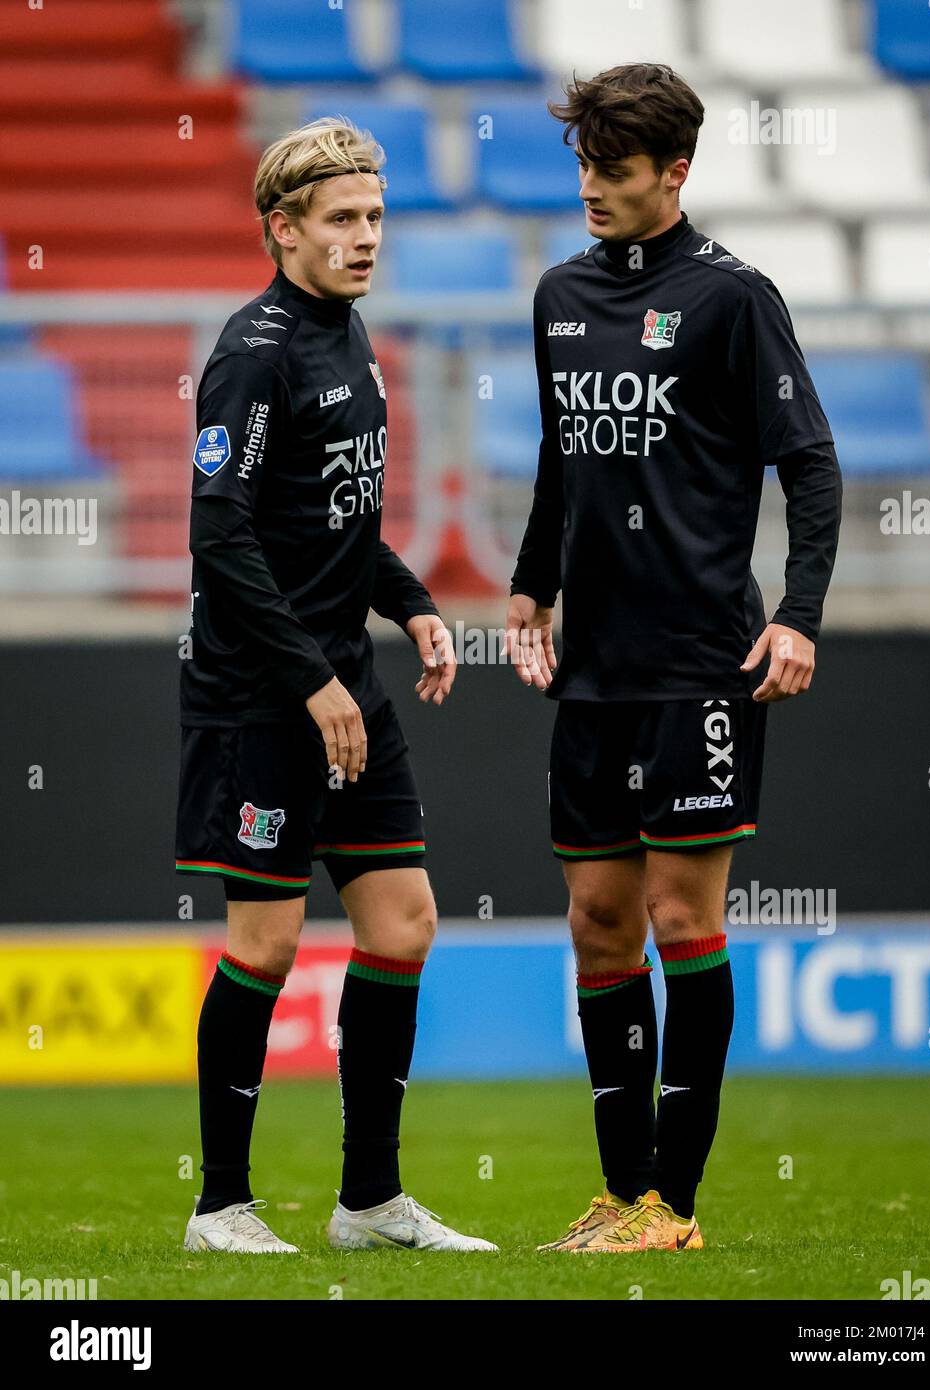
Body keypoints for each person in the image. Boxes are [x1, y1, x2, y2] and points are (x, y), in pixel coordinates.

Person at [506, 64, 841, 1252]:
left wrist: (797, 612)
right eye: (583, 163)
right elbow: (564, 463)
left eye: (615, 167)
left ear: (676, 173)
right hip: (590, 665)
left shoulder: (734, 299)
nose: (591, 185)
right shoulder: (556, 295)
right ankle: (621, 1191)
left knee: (679, 914)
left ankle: (676, 1205)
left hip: (701, 661)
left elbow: (809, 460)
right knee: (600, 917)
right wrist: (530, 587)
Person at [176, 117, 495, 1254]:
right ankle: (220, 1205)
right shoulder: (253, 350)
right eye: (344, 221)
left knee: (403, 924)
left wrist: (409, 601)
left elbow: (342, 520)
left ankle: (369, 1201)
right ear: (284, 229)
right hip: (267, 694)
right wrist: (313, 678)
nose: (367, 239)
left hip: (345, 684)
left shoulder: (350, 333)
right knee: (264, 946)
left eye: (375, 218)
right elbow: (222, 531)